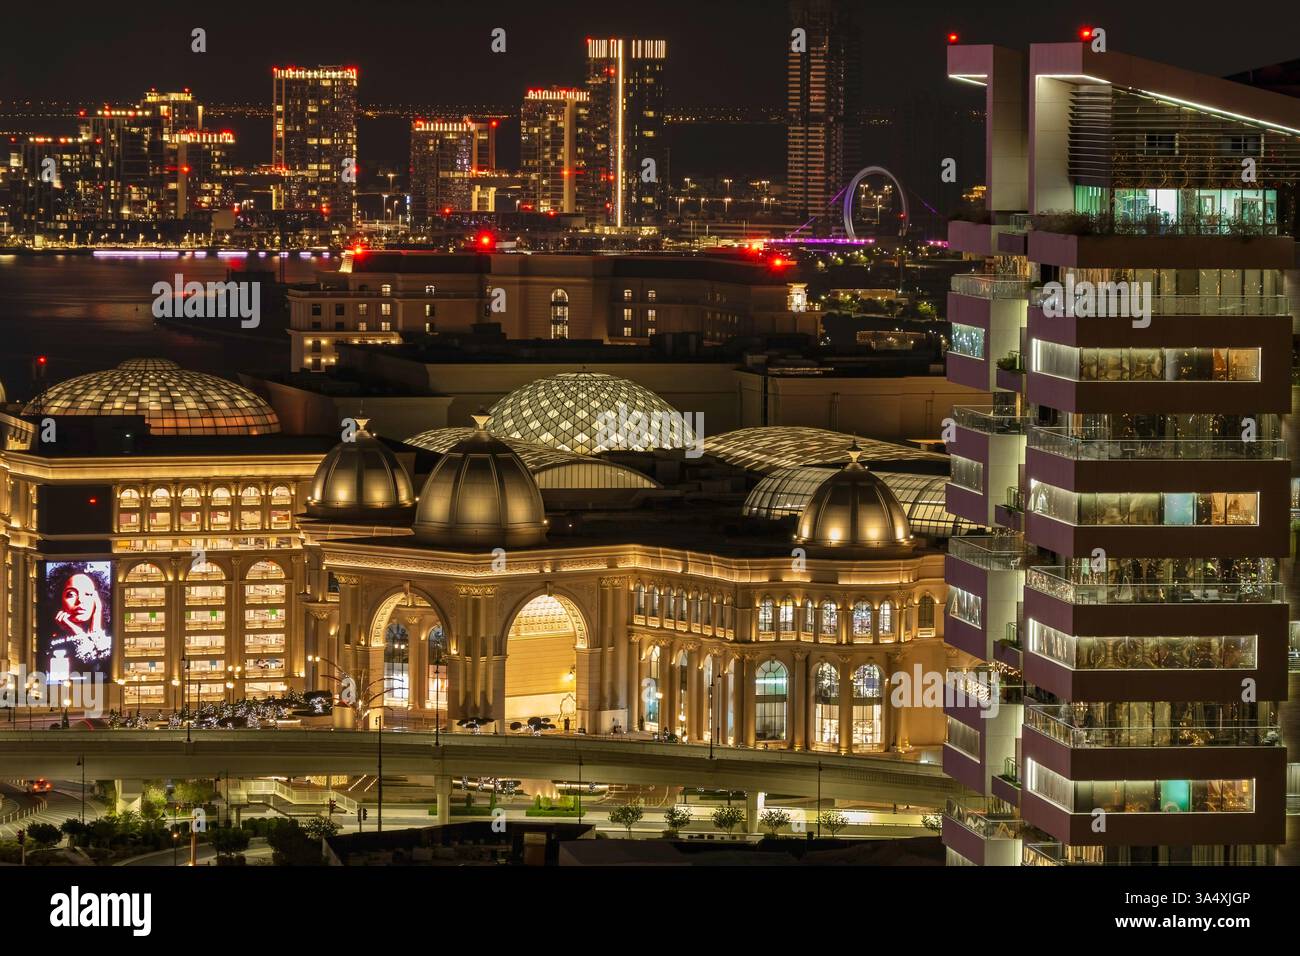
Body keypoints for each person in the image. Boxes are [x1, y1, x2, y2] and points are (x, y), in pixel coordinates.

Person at [48, 568, 111, 671]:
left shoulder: (110, 634)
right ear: (59, 598)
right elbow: (92, 668)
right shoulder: (52, 642)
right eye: (71, 595)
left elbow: (105, 667)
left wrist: (95, 630)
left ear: (97, 599)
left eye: (87, 594)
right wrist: (77, 634)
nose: (80, 600)